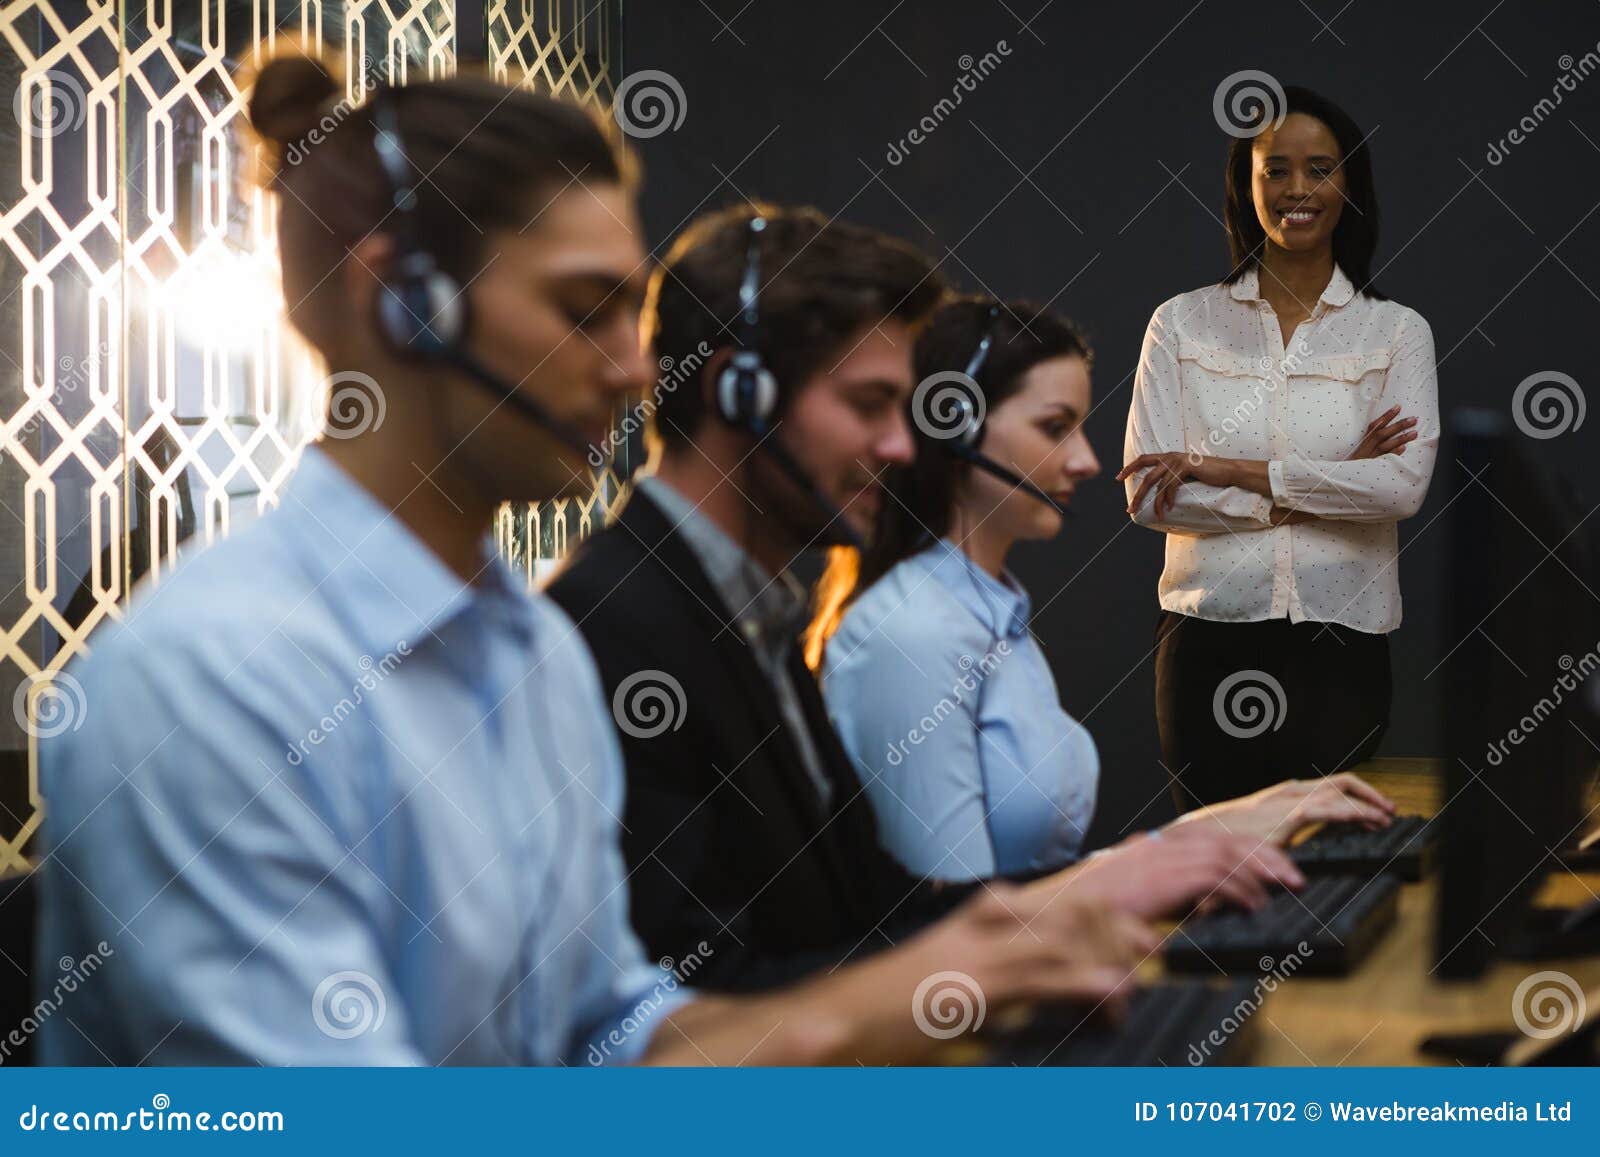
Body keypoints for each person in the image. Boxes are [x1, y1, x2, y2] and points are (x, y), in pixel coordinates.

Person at [32, 54, 1151, 1067]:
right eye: (586, 312)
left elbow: (608, 1029)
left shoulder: (533, 652)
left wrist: (953, 974)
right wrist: (873, 1009)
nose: (634, 370)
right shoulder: (209, 680)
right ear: (402, 305)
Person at [547, 204, 1304, 993]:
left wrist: (1157, 862)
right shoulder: (613, 627)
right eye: (868, 404)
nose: (904, 446)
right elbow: (701, 1008)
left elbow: (883, 913)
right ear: (738, 393)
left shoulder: (752, 620)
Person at [808, 296, 1396, 882]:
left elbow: (1030, 888)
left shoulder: (992, 614)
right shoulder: (914, 634)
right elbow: (958, 920)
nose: (1088, 460)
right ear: (955, 425)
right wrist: (1168, 862)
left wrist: (1238, 823)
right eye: (1054, 428)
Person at [1118, 86, 1438, 807]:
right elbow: (1149, 496)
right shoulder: (1180, 324)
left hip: (1343, 644)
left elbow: (1400, 488)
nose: (1298, 189)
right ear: (1246, 185)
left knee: (1328, 865)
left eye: (1320, 169)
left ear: (1350, 186)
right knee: (1217, 866)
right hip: (1207, 640)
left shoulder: (1396, 333)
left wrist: (1226, 468)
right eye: (1276, 170)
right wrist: (1327, 485)